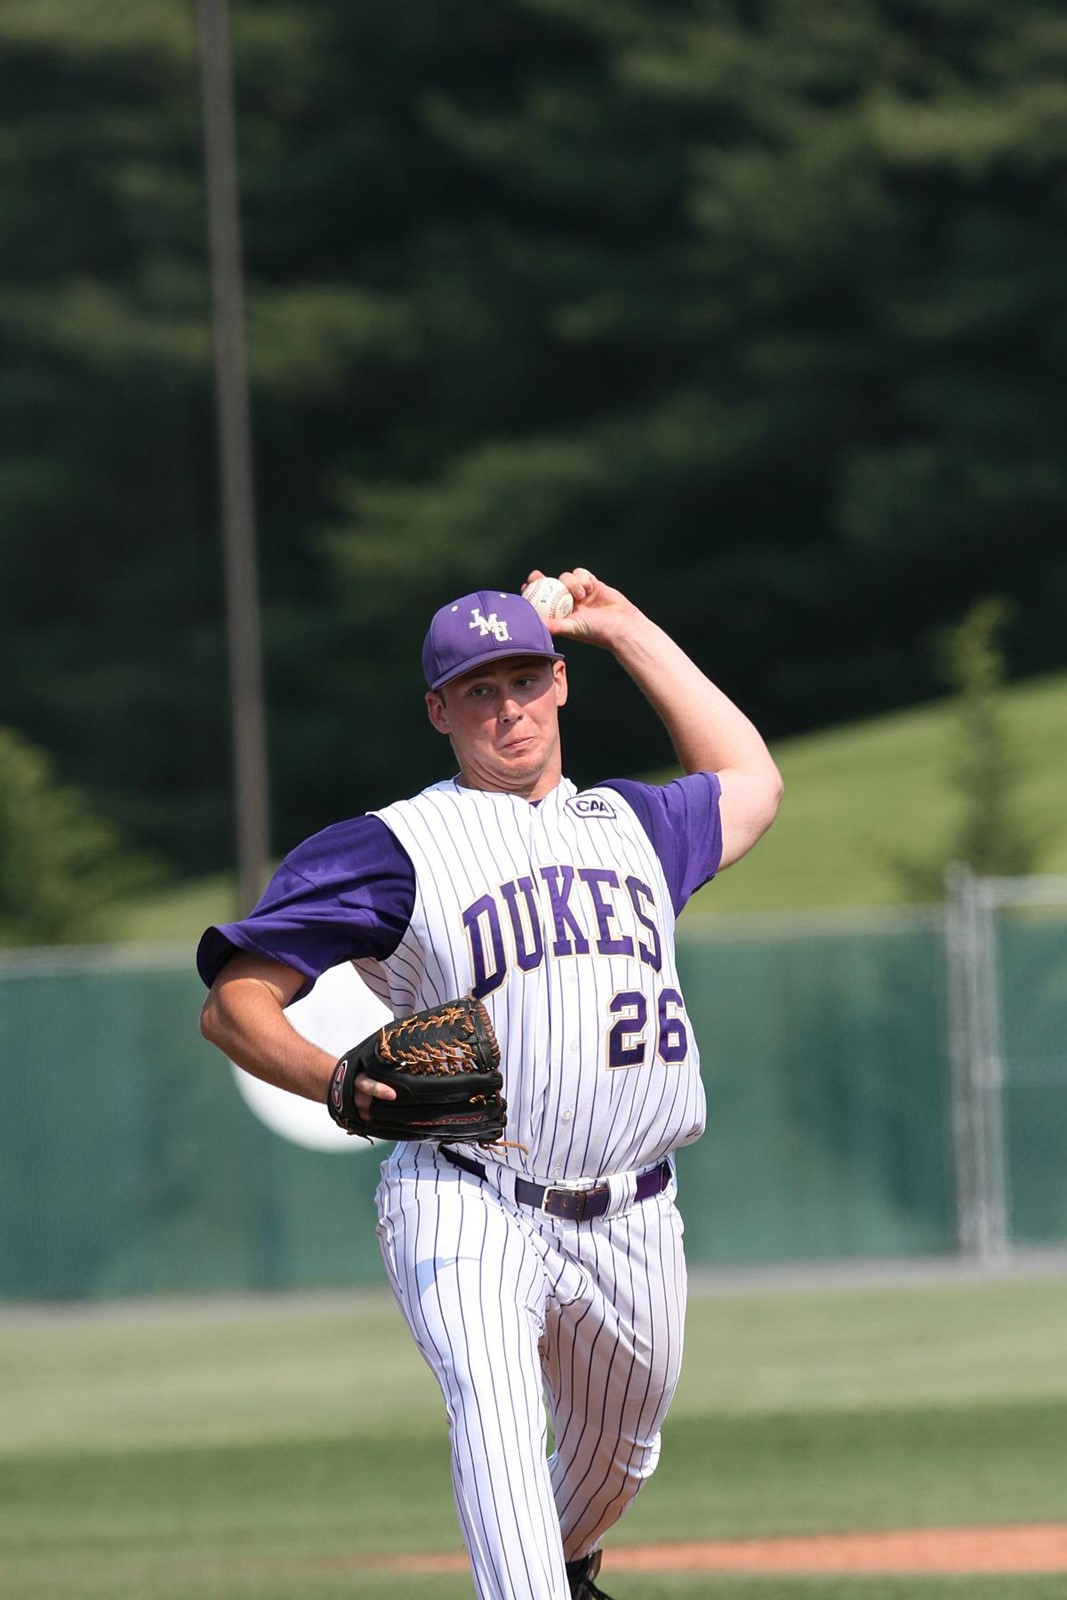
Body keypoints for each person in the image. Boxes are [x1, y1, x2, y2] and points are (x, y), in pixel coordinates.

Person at [197, 567, 783, 1600]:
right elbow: (234, 1001)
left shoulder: (633, 826)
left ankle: (560, 1566)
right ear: (439, 710)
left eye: (521, 679)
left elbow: (751, 778)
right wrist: (334, 1081)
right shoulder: (390, 849)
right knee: (497, 1417)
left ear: (557, 683)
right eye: (477, 689)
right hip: (468, 1191)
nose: (505, 706)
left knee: (615, 1460)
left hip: (633, 1210)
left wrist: (622, 624)